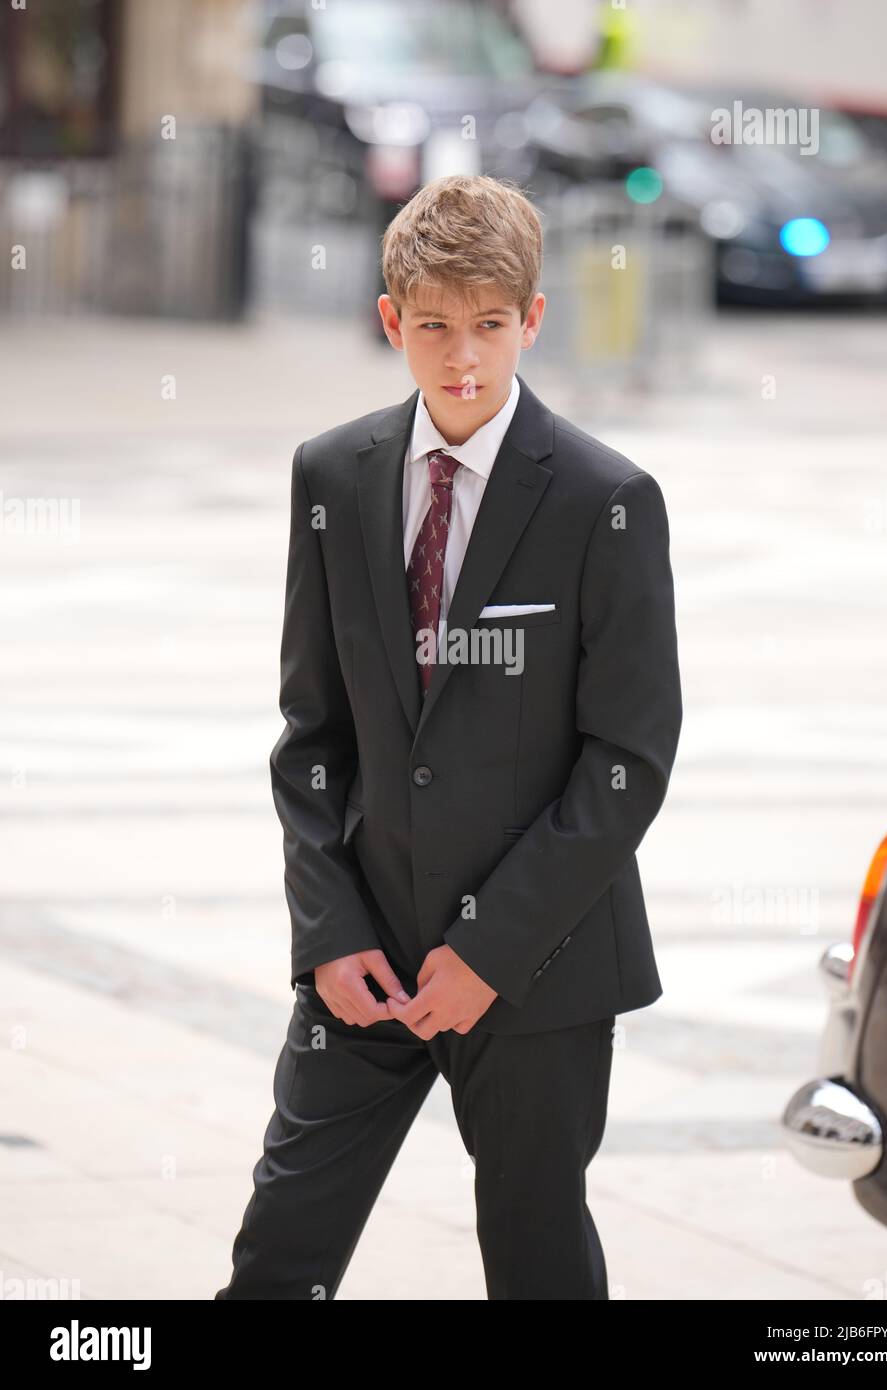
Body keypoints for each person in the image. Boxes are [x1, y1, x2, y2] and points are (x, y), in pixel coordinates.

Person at [215, 173, 682, 1301]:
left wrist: (490, 953)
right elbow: (310, 731)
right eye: (433, 326)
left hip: (537, 967)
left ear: (531, 320)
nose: (461, 356)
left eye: (487, 326)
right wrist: (329, 934)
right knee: (279, 1257)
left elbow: (627, 761)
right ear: (392, 322)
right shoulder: (332, 474)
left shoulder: (605, 499)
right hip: (363, 957)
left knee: (538, 1262)